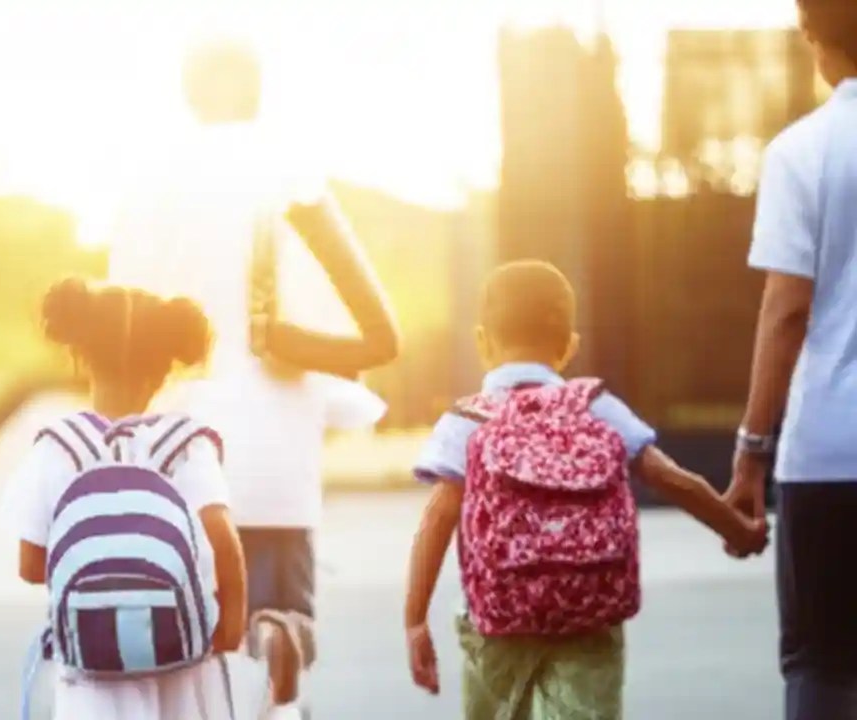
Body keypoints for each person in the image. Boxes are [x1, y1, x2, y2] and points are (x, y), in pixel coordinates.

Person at [105, 36, 401, 720]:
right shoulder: (290, 172)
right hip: (277, 433)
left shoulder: (149, 184)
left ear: (189, 96)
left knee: (188, 618)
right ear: (257, 93)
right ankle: (278, 638)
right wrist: (287, 341)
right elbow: (379, 330)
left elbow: (121, 322)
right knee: (280, 603)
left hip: (175, 435)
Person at [405, 260, 769, 719]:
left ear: (481, 341)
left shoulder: (469, 419)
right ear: (570, 348)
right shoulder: (596, 406)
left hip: (495, 620)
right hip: (589, 609)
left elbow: (438, 517)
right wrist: (737, 529)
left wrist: (415, 620)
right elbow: (671, 478)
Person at [5, 278, 247, 720]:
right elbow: (224, 545)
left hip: (92, 668)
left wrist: (105, 580)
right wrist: (228, 629)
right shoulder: (186, 446)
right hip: (182, 660)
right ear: (163, 369)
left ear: (82, 357)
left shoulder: (57, 448)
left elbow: (30, 565)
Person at [724, 1, 857, 716]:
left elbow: (786, 311)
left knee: (823, 667)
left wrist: (750, 456)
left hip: (831, 455)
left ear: (811, 36)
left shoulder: (803, 151)